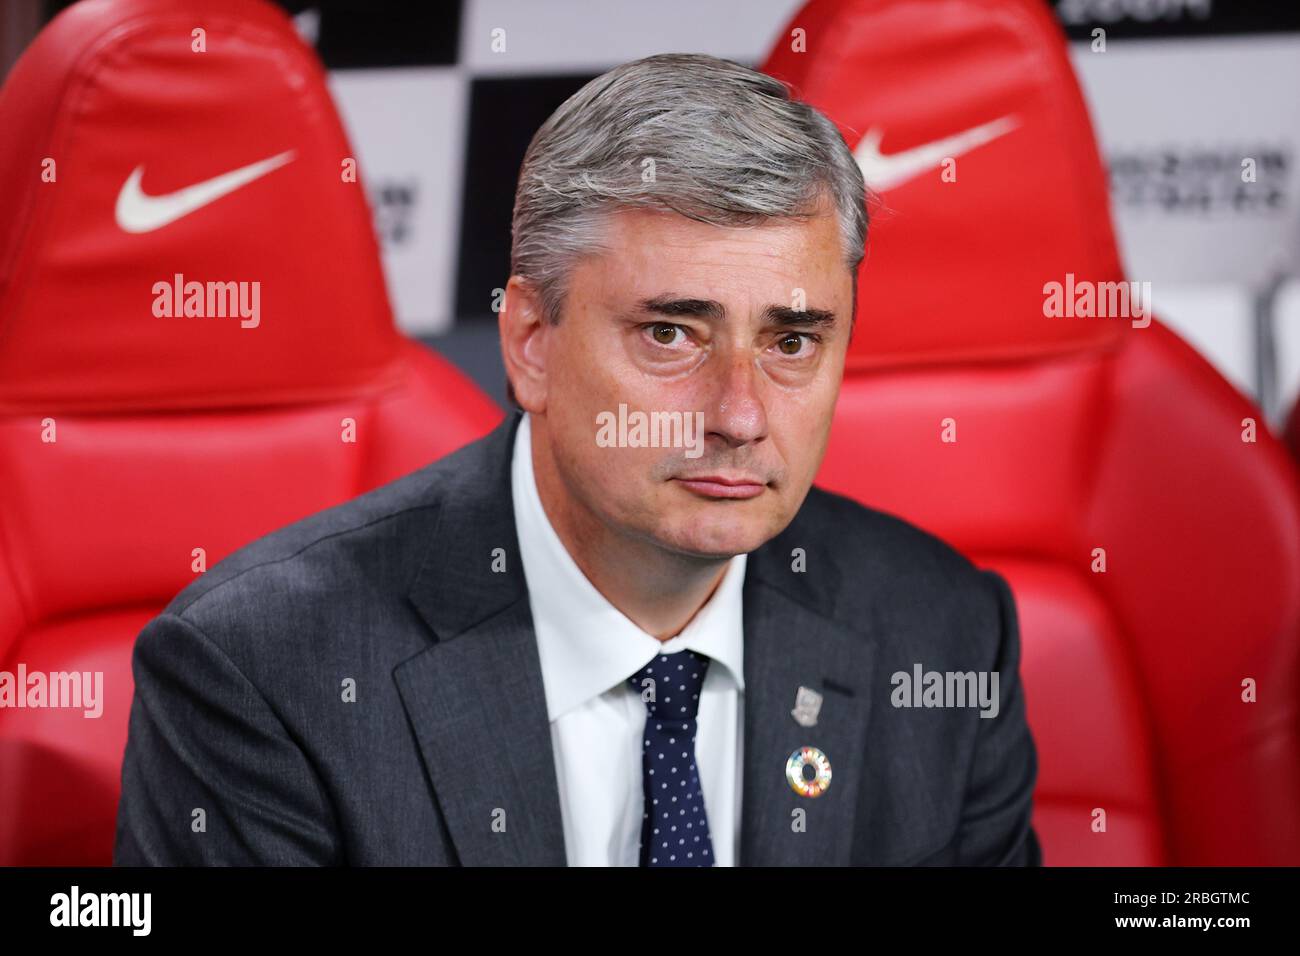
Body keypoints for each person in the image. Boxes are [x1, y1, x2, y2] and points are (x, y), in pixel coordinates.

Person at [114, 52, 1041, 867]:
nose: (741, 414)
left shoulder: (944, 634)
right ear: (530, 342)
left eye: (792, 341)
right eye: (672, 334)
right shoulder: (264, 671)